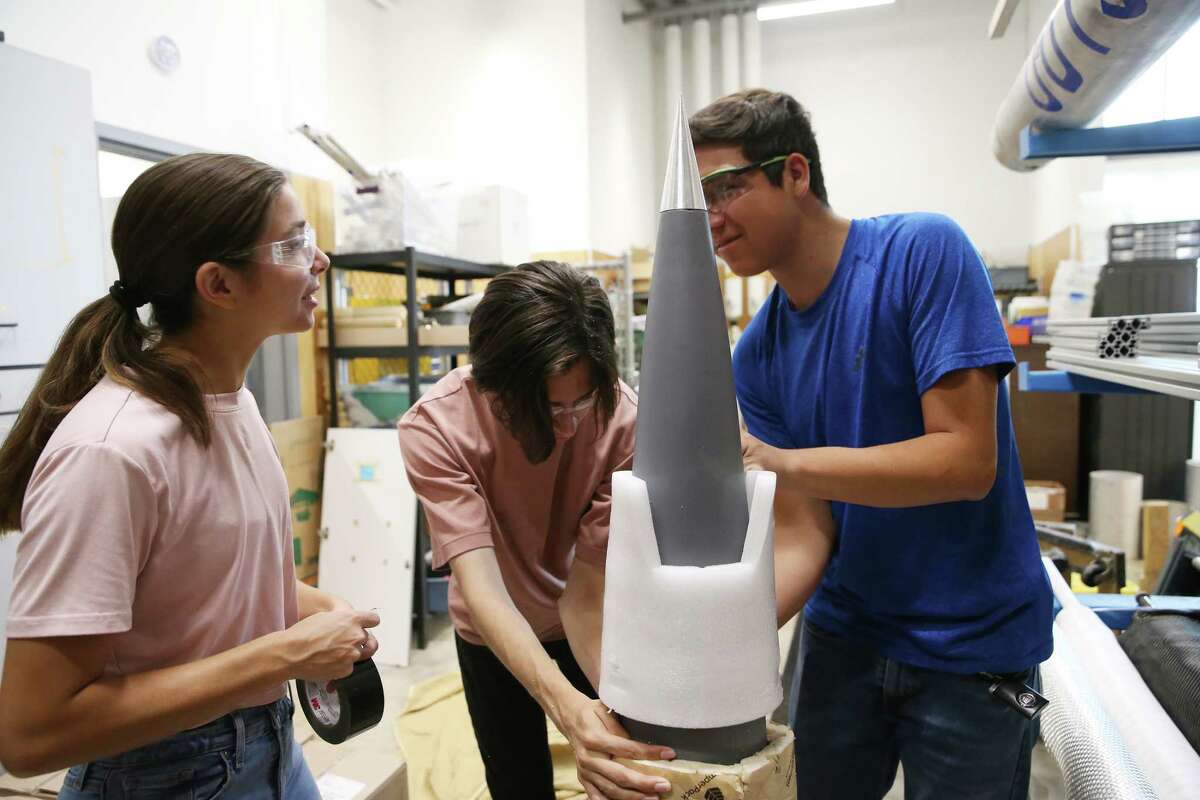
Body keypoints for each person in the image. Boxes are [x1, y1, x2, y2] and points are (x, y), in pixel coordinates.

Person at [689, 89, 1053, 800]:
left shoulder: (922, 253)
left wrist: (780, 462)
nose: (712, 220)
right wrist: (713, 639)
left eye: (725, 189)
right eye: (698, 202)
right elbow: (804, 534)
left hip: (970, 648)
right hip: (846, 634)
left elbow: (965, 461)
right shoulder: (757, 355)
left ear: (794, 173)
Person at [0, 153, 380, 799]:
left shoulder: (234, 402)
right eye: (294, 245)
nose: (319, 262)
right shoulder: (112, 451)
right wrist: (288, 654)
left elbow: (214, 586)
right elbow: (31, 733)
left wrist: (320, 610)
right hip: (160, 776)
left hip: (271, 743)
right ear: (218, 284)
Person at [397, 261, 674, 800]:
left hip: (589, 621)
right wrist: (566, 709)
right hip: (492, 631)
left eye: (582, 402)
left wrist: (607, 713)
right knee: (517, 783)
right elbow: (484, 593)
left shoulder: (624, 422)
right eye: (548, 407)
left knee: (625, 768)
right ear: (491, 385)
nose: (569, 426)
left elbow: (589, 590)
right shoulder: (438, 429)